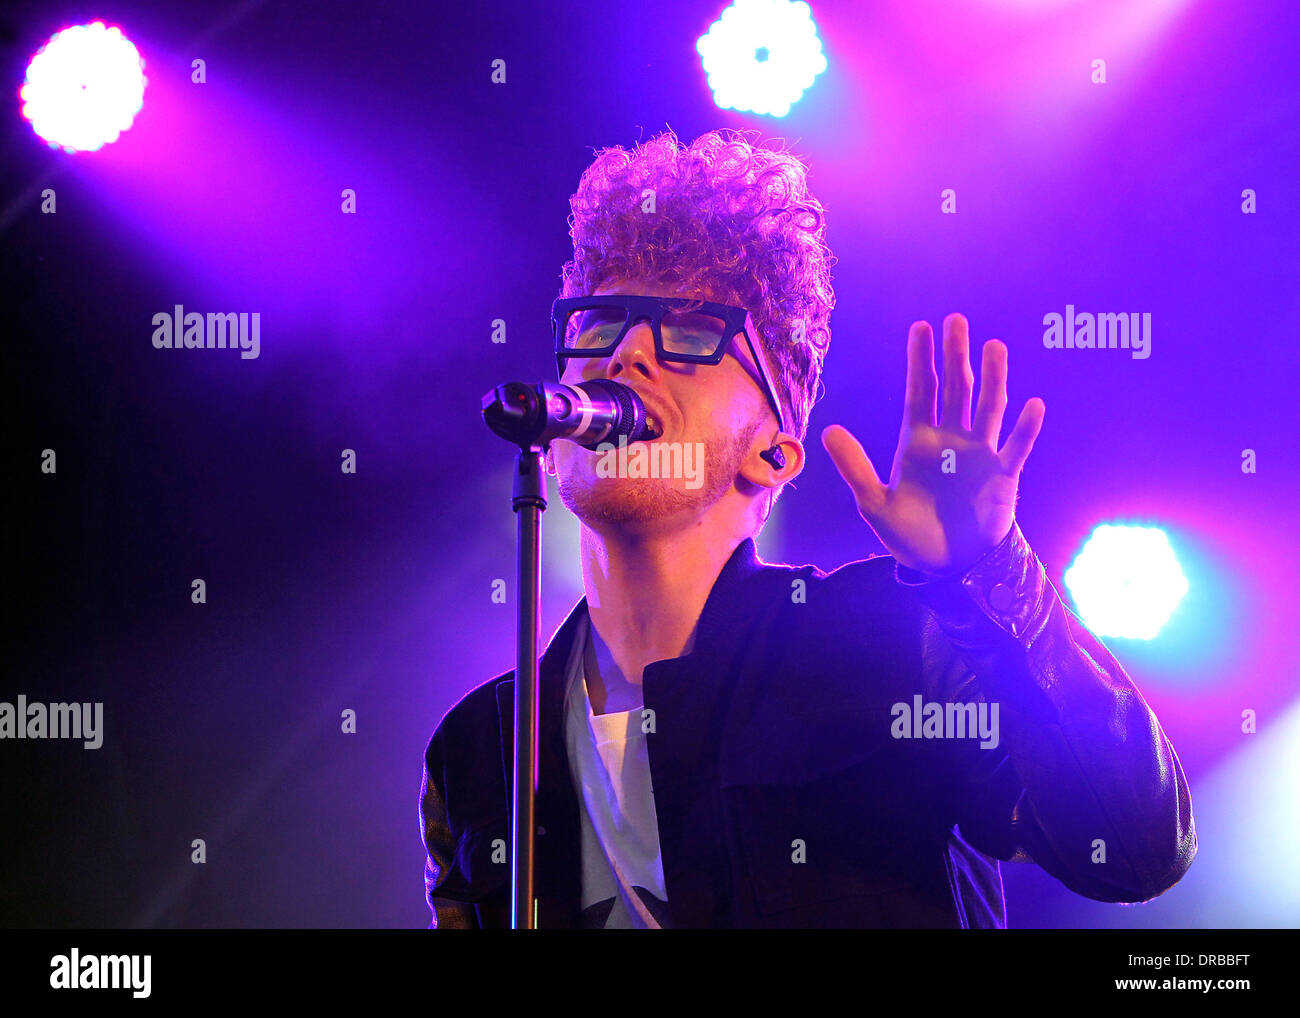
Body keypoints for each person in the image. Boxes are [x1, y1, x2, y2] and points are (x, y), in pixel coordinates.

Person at [419, 127, 1196, 928]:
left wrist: (991, 575)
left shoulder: (889, 643)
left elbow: (1134, 847)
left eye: (688, 334)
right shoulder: (480, 747)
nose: (626, 357)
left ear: (774, 452)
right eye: (600, 324)